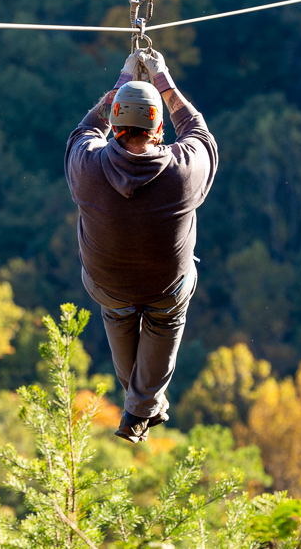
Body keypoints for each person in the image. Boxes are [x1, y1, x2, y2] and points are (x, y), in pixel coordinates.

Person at [65, 48, 218, 443]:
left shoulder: (87, 167)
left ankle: (144, 406)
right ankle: (141, 408)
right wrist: (162, 80)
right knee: (165, 319)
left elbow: (83, 131)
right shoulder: (183, 171)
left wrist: (121, 82)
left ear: (116, 126)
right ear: (159, 131)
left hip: (107, 285)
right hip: (166, 289)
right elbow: (198, 132)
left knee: (119, 315)